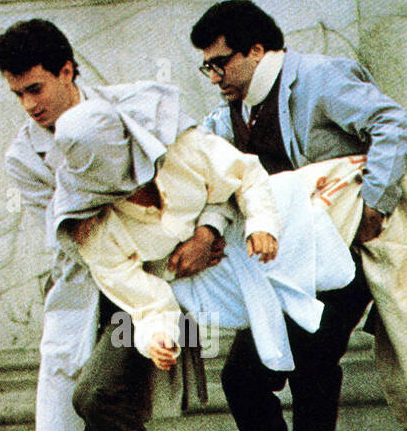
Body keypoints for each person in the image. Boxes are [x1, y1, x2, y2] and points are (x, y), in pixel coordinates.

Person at [0, 20, 218, 431]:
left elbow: (207, 176)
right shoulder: (24, 156)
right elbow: (78, 229)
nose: (29, 105)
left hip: (155, 285)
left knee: (96, 395)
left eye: (36, 88)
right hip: (86, 291)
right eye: (17, 94)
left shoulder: (139, 107)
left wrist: (207, 228)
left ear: (68, 70)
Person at [189, 0, 407, 431]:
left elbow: (393, 125)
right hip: (281, 266)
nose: (215, 77)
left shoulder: (317, 76)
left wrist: (375, 205)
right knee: (244, 376)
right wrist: (210, 234)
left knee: (314, 357)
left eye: (222, 63)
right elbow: (220, 185)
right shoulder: (227, 117)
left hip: (341, 258)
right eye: (208, 67)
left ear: (257, 50)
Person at [52, 97, 356, 382]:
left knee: (334, 297)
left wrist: (258, 224)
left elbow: (246, 174)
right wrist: (158, 337)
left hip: (264, 227)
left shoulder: (182, 148)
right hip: (212, 283)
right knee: (249, 376)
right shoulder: (93, 233)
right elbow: (145, 301)